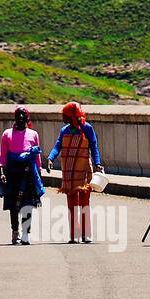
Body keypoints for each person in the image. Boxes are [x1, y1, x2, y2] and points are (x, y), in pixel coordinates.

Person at [48, 101, 103, 244]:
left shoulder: (87, 129)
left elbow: (94, 147)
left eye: (65, 116)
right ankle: (74, 235)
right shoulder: (64, 130)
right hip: (69, 171)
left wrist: (97, 163)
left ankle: (86, 234)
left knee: (84, 201)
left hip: (84, 169)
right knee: (71, 203)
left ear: (72, 116)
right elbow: (57, 146)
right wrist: (50, 158)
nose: (63, 119)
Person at [0, 105, 44, 245]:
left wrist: (39, 175)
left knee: (27, 204)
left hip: (28, 172)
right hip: (12, 172)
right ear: (15, 118)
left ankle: (25, 234)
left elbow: (37, 158)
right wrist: (2, 172)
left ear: (27, 118)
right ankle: (15, 232)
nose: (21, 118)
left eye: (24, 116)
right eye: (19, 115)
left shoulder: (33, 134)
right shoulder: (6, 134)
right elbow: (2, 156)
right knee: (13, 205)